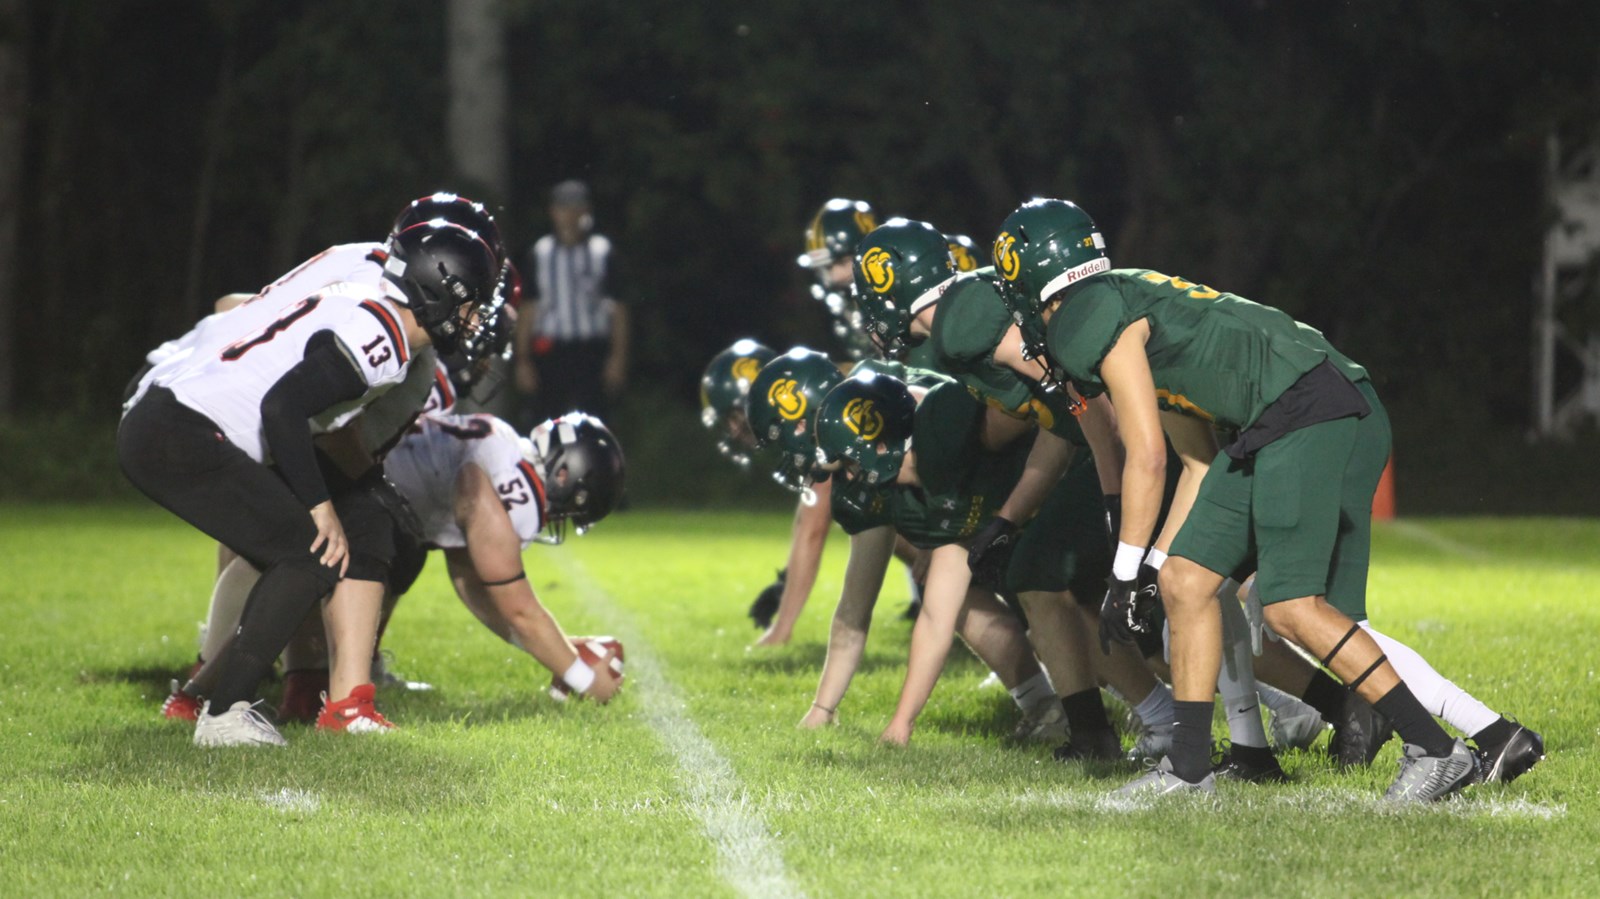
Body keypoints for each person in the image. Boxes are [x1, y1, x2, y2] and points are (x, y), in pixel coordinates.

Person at [991, 198, 1540, 798]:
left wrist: (1120, 576)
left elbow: (1142, 456)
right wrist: (1149, 569)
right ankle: (1191, 768)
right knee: (1185, 580)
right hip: (1291, 412)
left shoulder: (1087, 315)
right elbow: (1195, 460)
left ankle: (1436, 750)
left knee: (1290, 608)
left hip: (1304, 407)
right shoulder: (1125, 301)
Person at [120, 219, 499, 748]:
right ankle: (223, 710)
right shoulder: (384, 338)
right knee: (312, 552)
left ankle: (265, 699)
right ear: (439, 292)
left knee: (332, 535)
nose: (475, 317)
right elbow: (282, 409)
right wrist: (320, 507)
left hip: (175, 413)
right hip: (183, 430)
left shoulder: (364, 282)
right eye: (470, 303)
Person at [747, 353, 1069, 744]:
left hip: (1040, 487)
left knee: (1065, 598)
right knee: (961, 594)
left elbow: (1011, 426)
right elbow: (855, 609)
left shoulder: (912, 414)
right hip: (977, 511)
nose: (791, 455)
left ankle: (1135, 704)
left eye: (788, 431)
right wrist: (823, 709)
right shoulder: (860, 468)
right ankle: (1047, 704)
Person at [514, 179, 627, 429]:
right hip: (550, 349)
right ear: (553, 212)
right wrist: (523, 359)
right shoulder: (541, 252)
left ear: (587, 211)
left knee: (595, 422)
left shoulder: (602, 251)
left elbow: (618, 308)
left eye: (577, 208)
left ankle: (596, 467)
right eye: (564, 208)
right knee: (544, 422)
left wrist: (617, 356)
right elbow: (529, 307)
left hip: (591, 350)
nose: (570, 215)